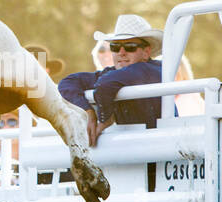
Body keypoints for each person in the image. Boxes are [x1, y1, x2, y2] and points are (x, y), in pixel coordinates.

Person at [59, 15, 164, 146]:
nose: (121, 52)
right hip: (140, 149)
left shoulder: (152, 70)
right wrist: (88, 112)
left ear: (146, 52)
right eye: (115, 47)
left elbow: (105, 84)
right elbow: (67, 83)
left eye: (130, 46)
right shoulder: (113, 73)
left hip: (157, 151)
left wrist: (104, 120)